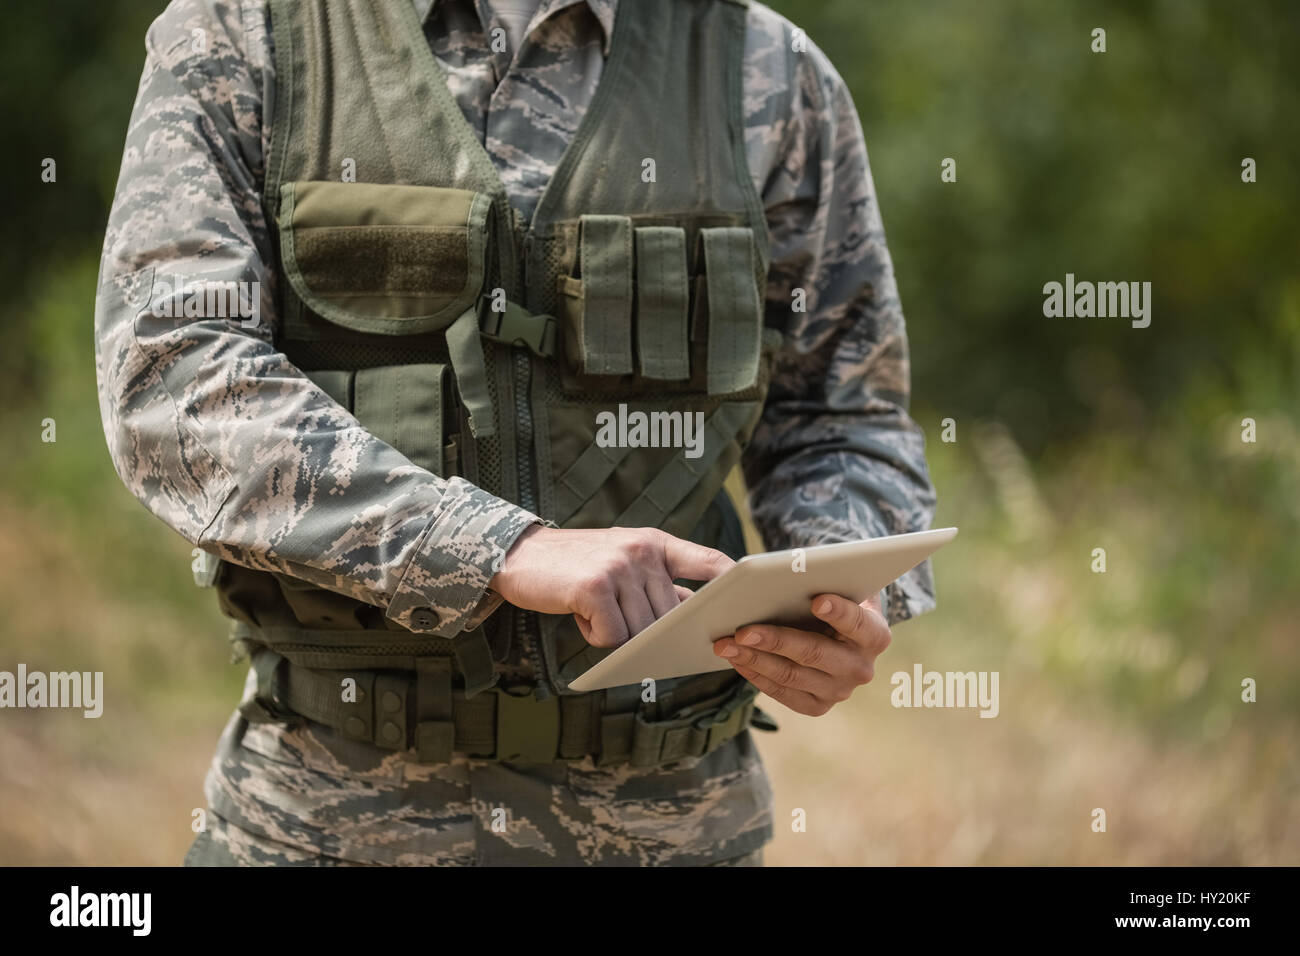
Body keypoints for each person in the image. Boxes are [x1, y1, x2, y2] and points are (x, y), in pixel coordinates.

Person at [94, 0, 937, 866]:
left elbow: (839, 415)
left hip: (669, 828)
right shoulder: (246, 35)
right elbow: (173, 381)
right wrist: (497, 549)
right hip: (326, 824)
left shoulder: (768, 68)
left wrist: (835, 595)